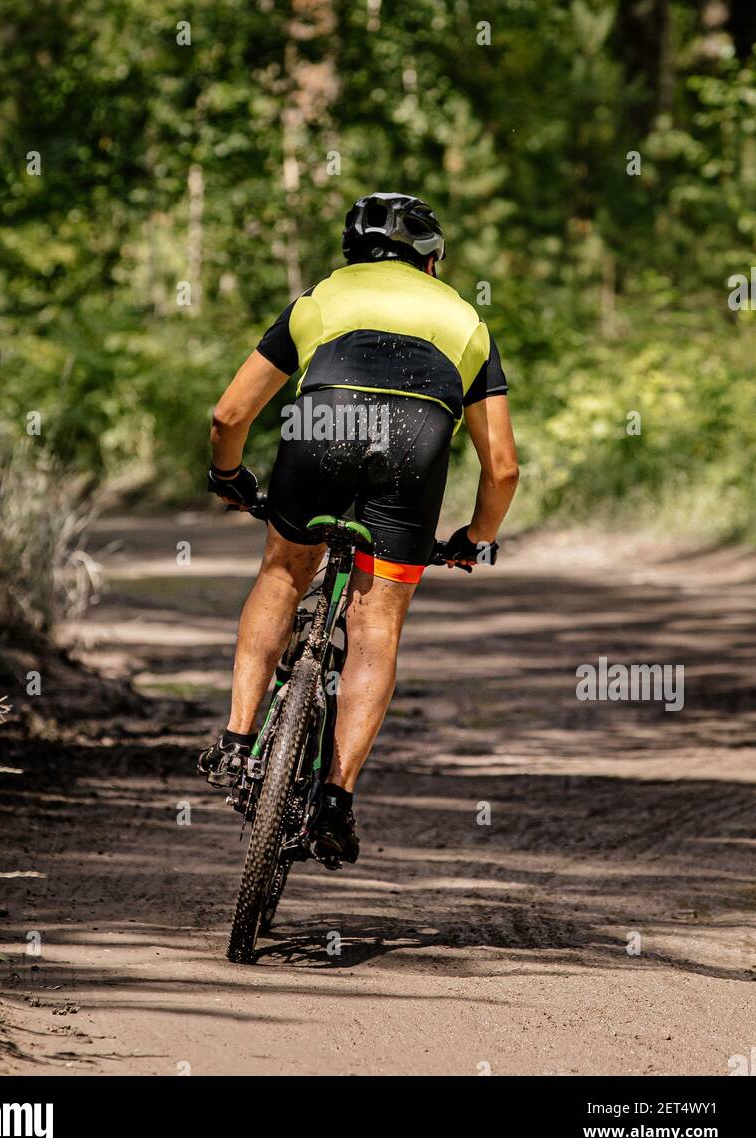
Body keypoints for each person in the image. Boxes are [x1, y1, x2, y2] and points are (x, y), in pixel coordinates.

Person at [198, 193, 519, 863]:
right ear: (430, 262)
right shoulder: (465, 320)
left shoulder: (318, 300)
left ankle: (234, 742)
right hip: (415, 445)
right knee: (377, 628)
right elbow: (505, 467)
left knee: (284, 573)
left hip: (323, 426)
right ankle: (336, 800)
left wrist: (229, 476)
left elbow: (229, 415)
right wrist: (475, 538)